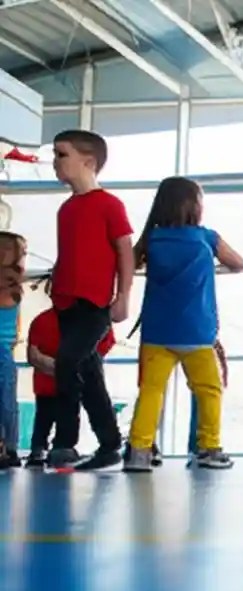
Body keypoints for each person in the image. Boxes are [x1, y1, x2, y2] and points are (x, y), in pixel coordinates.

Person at [122, 177, 243, 471]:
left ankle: (139, 451)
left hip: (156, 332)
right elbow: (238, 263)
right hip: (196, 332)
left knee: (151, 391)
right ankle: (208, 448)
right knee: (209, 390)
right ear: (194, 206)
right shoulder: (206, 238)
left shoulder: (151, 239)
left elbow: (130, 264)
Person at [47, 129, 136, 470]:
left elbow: (125, 251)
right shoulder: (66, 209)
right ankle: (110, 443)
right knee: (89, 373)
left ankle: (64, 442)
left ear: (88, 161)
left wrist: (123, 296)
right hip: (66, 303)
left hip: (95, 304)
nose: (55, 162)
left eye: (62, 154)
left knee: (67, 362)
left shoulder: (110, 205)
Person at [25, 302, 117, 468]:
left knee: (44, 420)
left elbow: (33, 355)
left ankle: (41, 450)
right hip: (70, 382)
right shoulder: (95, 320)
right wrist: (77, 365)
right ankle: (62, 448)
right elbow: (105, 345)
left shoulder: (41, 320)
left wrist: (60, 366)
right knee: (69, 412)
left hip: (48, 382)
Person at [0, 231, 24, 467]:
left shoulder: (8, 284)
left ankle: (7, 447)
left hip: (3, 350)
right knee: (7, 401)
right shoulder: (15, 284)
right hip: (5, 349)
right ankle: (10, 447)